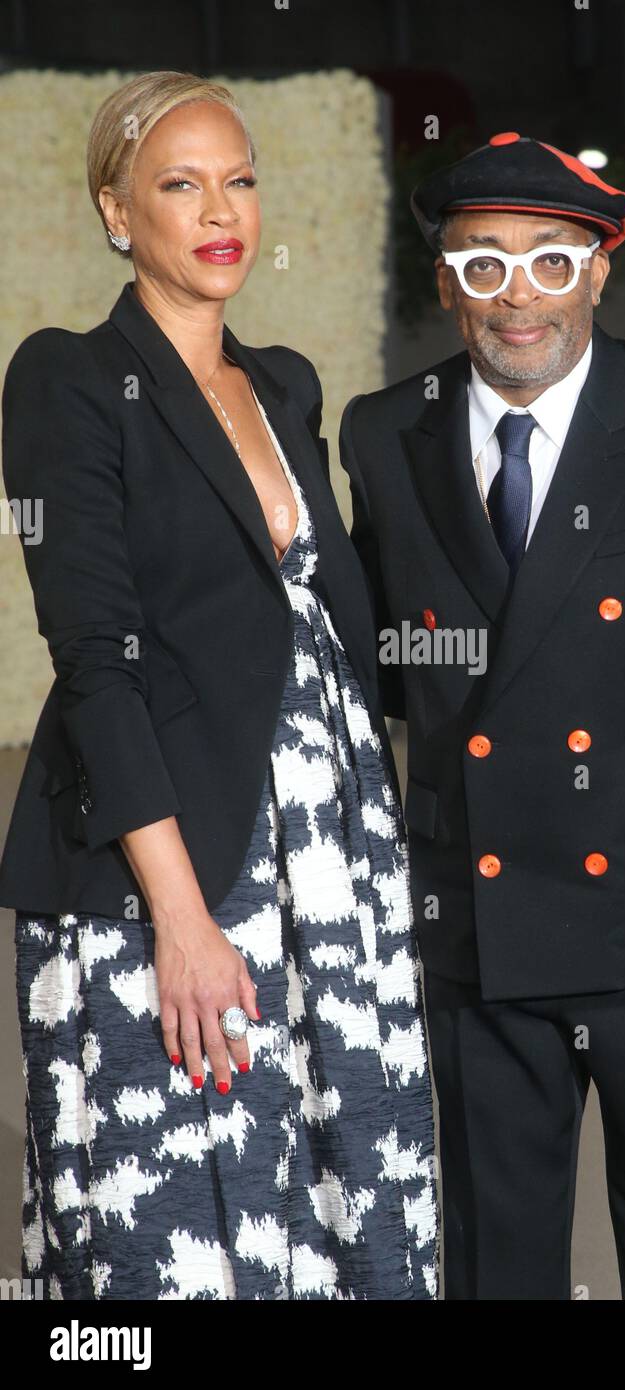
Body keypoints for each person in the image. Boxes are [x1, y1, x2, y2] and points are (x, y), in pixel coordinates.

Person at [339, 132, 625, 1299]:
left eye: (551, 262)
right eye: (484, 265)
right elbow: (375, 672)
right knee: (497, 1275)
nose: (519, 298)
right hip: (477, 937)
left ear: (599, 271)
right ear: (446, 281)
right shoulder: (383, 432)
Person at [0, 70, 438, 1300]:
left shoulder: (285, 384)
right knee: (176, 1214)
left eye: (238, 179)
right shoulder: (69, 378)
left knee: (351, 1178)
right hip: (177, 865)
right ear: (114, 211)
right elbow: (94, 657)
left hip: (338, 857)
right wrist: (182, 921)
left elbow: (337, 629)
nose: (218, 209)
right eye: (179, 184)